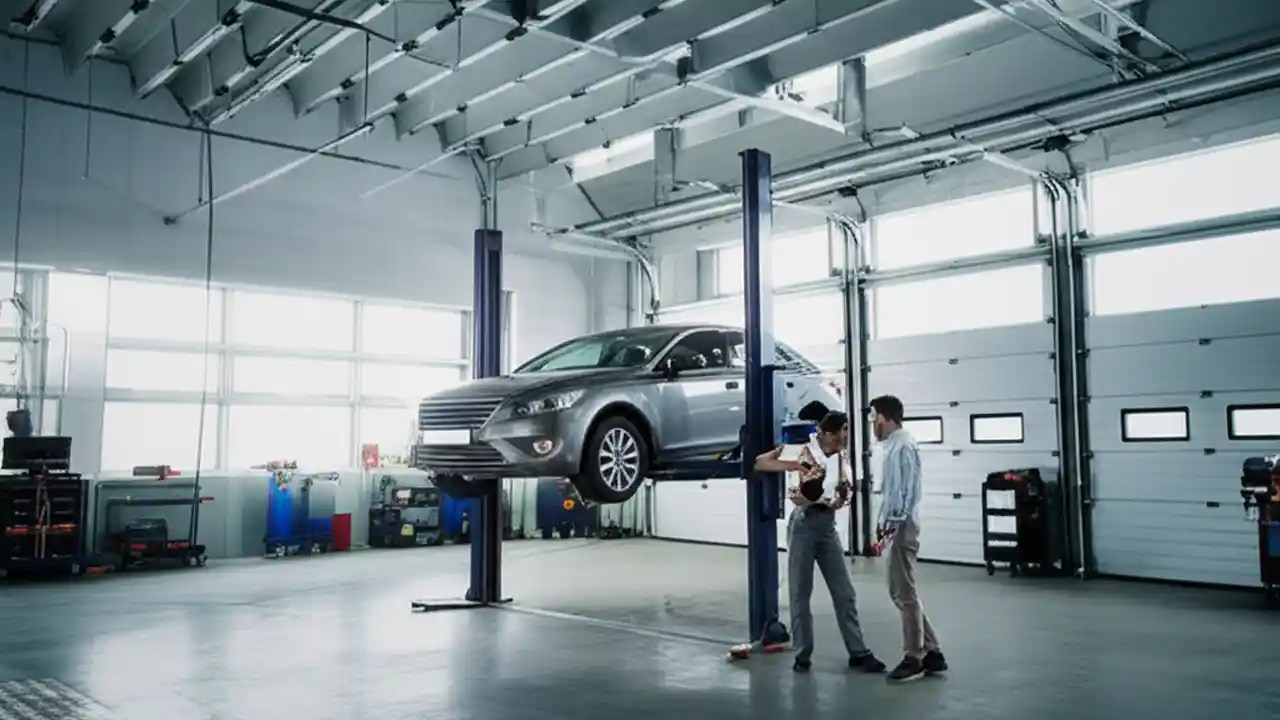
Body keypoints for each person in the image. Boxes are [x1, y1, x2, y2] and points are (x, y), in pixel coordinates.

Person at [755, 410, 885, 674]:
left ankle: (858, 652)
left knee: (845, 593)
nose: (842, 440)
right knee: (800, 593)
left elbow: (844, 490)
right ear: (825, 434)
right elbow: (761, 464)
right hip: (804, 524)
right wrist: (786, 457)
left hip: (827, 526)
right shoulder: (803, 452)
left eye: (845, 435)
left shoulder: (842, 457)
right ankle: (802, 654)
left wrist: (840, 499)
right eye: (838, 436)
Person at [871, 395, 947, 683]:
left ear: (885, 417)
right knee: (900, 591)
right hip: (898, 526)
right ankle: (932, 650)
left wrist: (888, 528)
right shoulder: (895, 446)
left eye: (875, 418)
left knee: (904, 593)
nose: (873, 425)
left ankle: (914, 657)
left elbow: (901, 494)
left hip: (901, 527)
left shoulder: (901, 447)